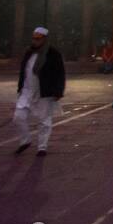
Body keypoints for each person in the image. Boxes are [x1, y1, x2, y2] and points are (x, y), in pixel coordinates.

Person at [14, 26, 65, 156]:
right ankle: (25, 140)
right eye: (34, 38)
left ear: (45, 39)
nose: (35, 41)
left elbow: (60, 73)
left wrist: (58, 91)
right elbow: (24, 71)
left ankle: (42, 146)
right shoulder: (29, 52)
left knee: (44, 120)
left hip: (44, 91)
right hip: (27, 90)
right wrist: (20, 87)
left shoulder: (53, 53)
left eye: (38, 38)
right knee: (18, 117)